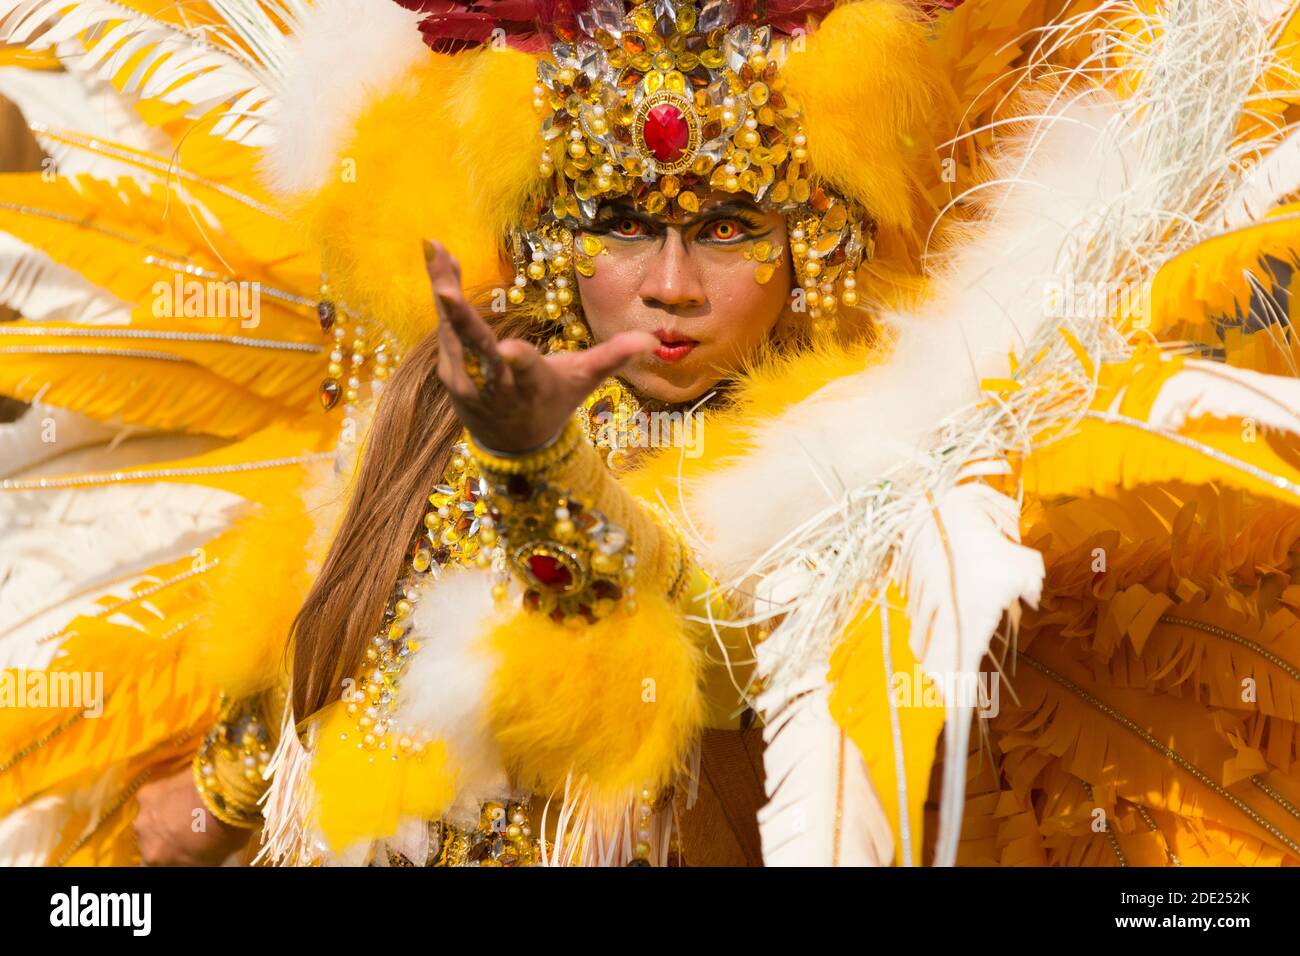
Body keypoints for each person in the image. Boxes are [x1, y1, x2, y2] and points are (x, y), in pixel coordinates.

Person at [2, 0, 1299, 867]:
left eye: (730, 229)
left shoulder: (874, 470)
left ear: (811, 251)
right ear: (554, 238)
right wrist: (196, 818)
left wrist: (535, 467)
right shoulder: (428, 410)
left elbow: (700, 624)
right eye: (624, 224)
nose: (673, 285)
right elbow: (298, 691)